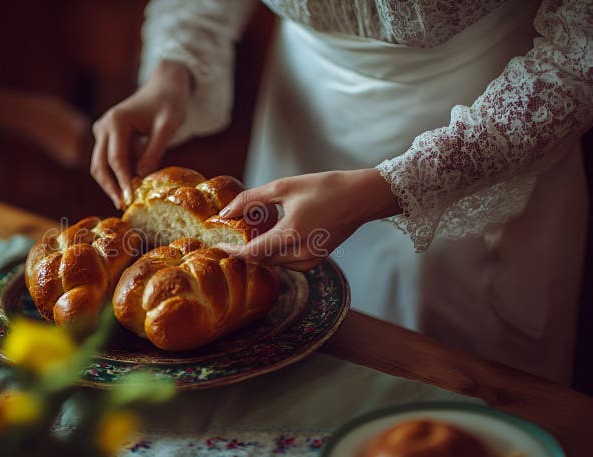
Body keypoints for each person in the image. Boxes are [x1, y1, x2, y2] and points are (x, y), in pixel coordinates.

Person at [89, 0, 592, 384]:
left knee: (440, 390)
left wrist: (393, 187)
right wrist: (172, 71)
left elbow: (576, 63)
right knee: (284, 366)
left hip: (473, 142)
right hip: (297, 118)